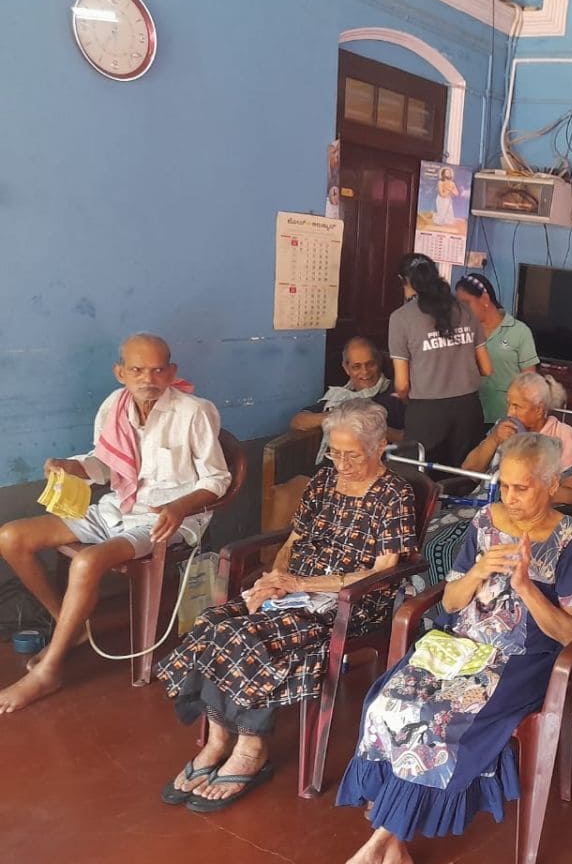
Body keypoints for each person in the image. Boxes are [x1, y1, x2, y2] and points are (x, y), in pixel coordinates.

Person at [321, 433, 572, 864]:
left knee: (439, 720)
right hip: (459, 646)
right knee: (389, 703)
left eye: (523, 488)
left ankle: (375, 849)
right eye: (505, 486)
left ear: (552, 484)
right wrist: (477, 571)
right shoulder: (483, 521)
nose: (510, 499)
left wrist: (528, 587)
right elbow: (453, 604)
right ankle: (390, 850)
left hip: (522, 660)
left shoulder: (571, 541)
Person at [156, 400, 417, 811]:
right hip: (296, 590)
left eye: (352, 454)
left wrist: (301, 583)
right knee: (214, 622)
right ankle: (220, 737)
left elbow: (382, 569)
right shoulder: (322, 483)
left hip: (351, 601)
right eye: (334, 451)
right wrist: (274, 581)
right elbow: (294, 542)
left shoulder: (393, 494)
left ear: (380, 447)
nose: (342, 463)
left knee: (252, 634)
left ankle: (250, 746)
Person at [0, 334, 230, 714]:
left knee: (87, 561)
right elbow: (105, 463)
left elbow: (217, 479)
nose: (148, 379)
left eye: (158, 369)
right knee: (11, 537)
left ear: (171, 372)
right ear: (120, 372)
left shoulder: (194, 411)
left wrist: (179, 506)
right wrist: (74, 466)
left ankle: (50, 671)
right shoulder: (114, 405)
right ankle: (68, 627)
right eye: (137, 370)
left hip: (165, 519)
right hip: (116, 508)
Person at [421, 373, 572, 585]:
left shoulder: (563, 437)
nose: (509, 412)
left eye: (517, 406)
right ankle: (429, 611)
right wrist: (494, 439)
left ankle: (466, 607)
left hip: (525, 519)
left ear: (539, 409)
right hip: (478, 506)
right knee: (425, 538)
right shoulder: (505, 428)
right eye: (508, 404)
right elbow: (469, 468)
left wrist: (533, 489)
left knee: (455, 549)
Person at [389, 253, 492, 466]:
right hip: (468, 410)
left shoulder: (401, 318)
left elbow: (402, 384)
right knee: (463, 476)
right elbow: (487, 368)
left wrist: (406, 397)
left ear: (404, 281)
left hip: (426, 413)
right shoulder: (466, 311)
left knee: (421, 478)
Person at [289, 336, 405, 454]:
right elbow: (297, 422)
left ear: (379, 363)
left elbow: (413, 438)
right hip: (340, 465)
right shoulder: (339, 397)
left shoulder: (397, 393)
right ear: (346, 368)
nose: (365, 372)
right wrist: (337, 417)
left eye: (370, 364)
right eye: (356, 366)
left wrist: (371, 427)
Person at [454, 272, 539, 424]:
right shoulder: (462, 330)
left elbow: (530, 381)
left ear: (485, 299)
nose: (462, 310)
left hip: (505, 419)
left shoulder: (519, 331)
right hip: (468, 416)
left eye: (466, 304)